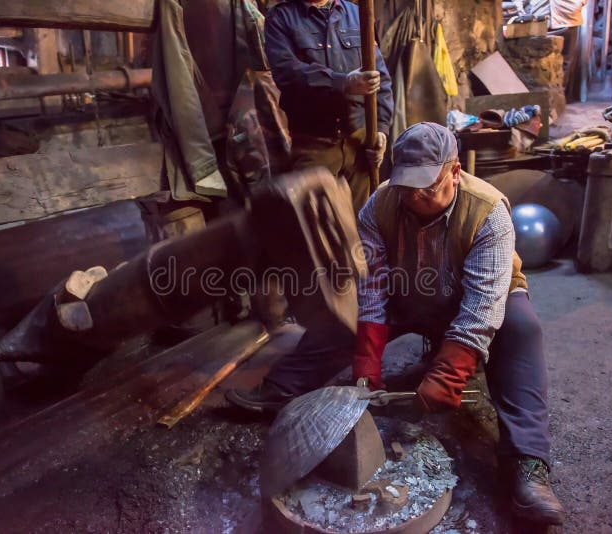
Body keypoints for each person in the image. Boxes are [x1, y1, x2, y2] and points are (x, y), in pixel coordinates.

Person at [228, 122, 566, 526]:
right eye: (407, 185)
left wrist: (451, 370)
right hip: (411, 294)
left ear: (454, 171)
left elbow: (482, 306)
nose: (415, 197)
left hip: (475, 298)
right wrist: (367, 361)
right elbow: (372, 289)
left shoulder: (489, 211)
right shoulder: (380, 205)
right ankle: (285, 390)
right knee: (341, 319)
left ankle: (528, 466)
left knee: (521, 330)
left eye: (428, 187)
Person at [265, 0, 394, 211]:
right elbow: (287, 73)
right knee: (317, 229)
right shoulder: (281, 18)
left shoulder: (358, 14)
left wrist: (381, 129)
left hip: (359, 143)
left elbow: (381, 80)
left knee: (362, 223)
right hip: (313, 145)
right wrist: (342, 82)